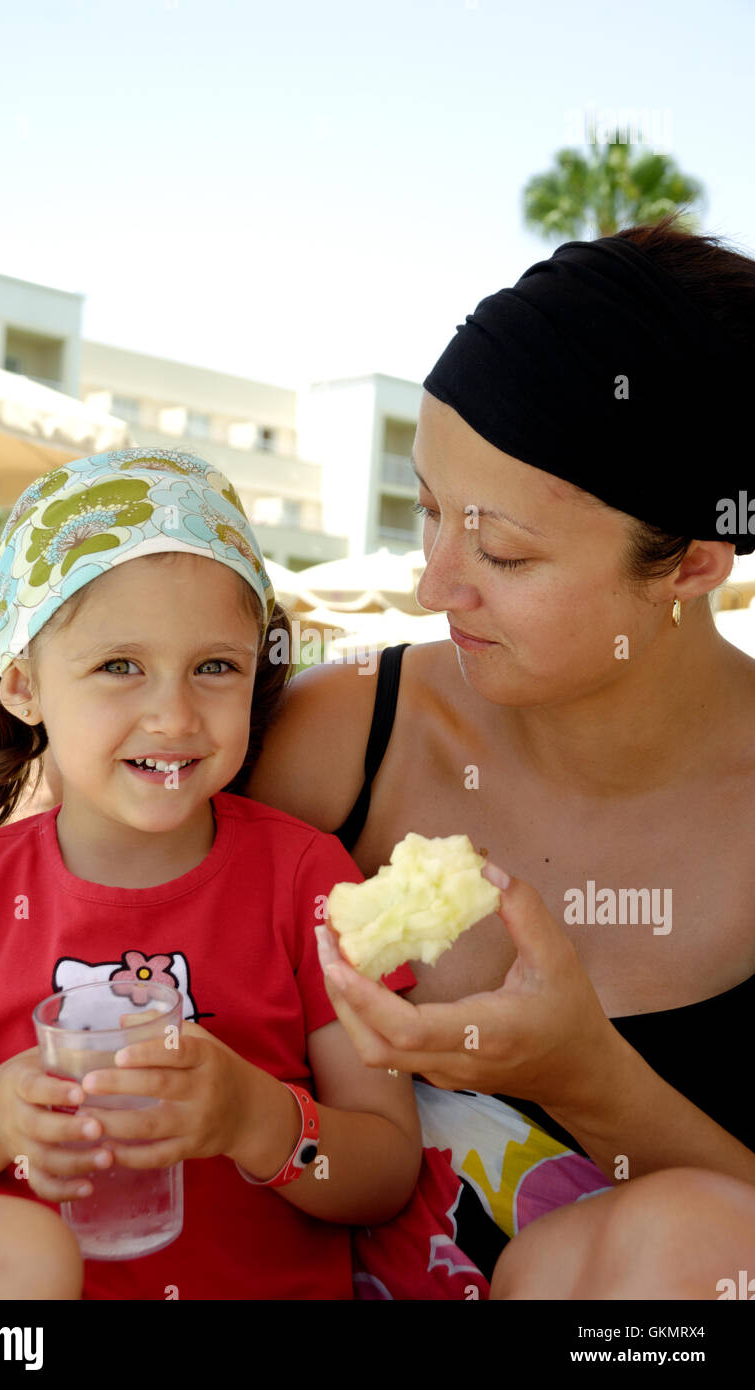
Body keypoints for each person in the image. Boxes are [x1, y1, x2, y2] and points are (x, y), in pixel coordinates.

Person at [245, 218, 755, 1300]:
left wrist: (587, 1079)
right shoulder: (340, 735)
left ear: (693, 563)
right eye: (427, 511)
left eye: (502, 552)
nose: (434, 587)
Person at [0, 447, 421, 1301]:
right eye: (119, 666)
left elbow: (384, 1173)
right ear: (22, 683)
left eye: (215, 667)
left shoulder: (307, 881)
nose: (173, 714)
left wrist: (256, 1118)